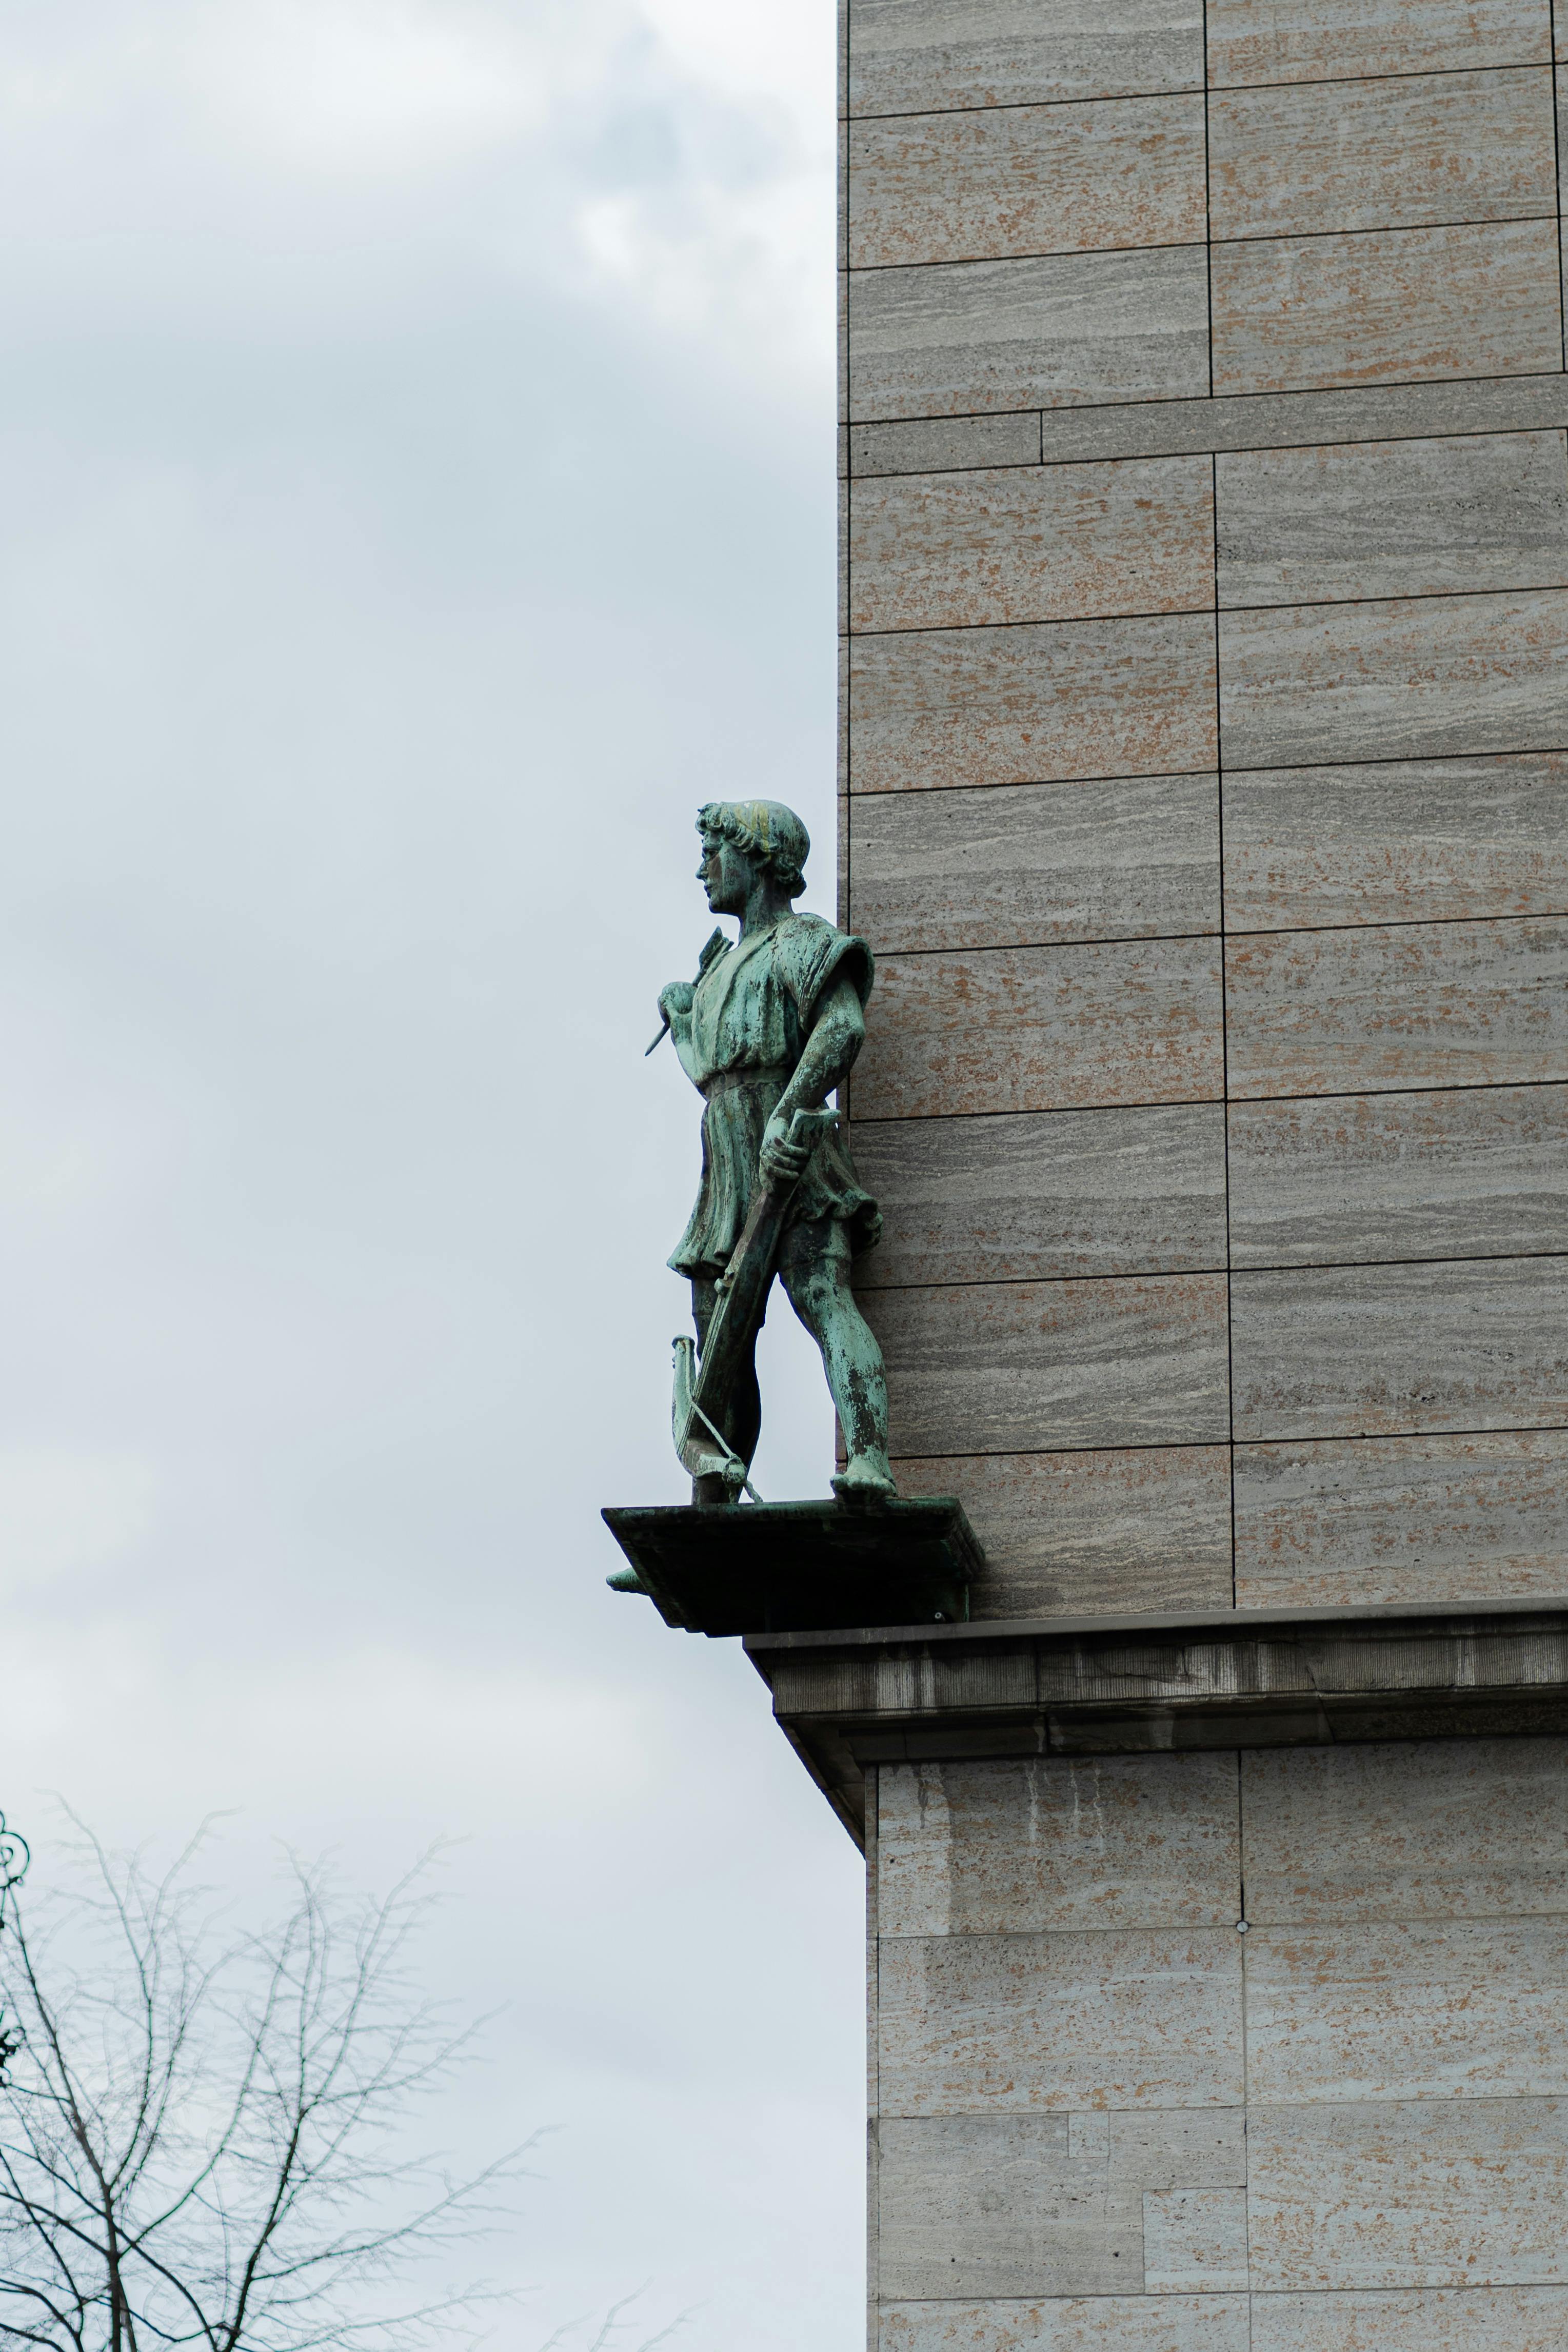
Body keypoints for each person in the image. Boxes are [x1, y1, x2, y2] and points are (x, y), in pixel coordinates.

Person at [657, 799, 897, 1503]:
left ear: (758, 858)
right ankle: (715, 1499)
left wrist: (788, 1113)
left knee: (822, 1295)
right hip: (726, 1162)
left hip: (789, 1144)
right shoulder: (719, 970)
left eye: (714, 853)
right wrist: (683, 1021)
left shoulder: (798, 939)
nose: (703, 869)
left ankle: (869, 1458)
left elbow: (842, 1027)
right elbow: (712, 1074)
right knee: (721, 1335)